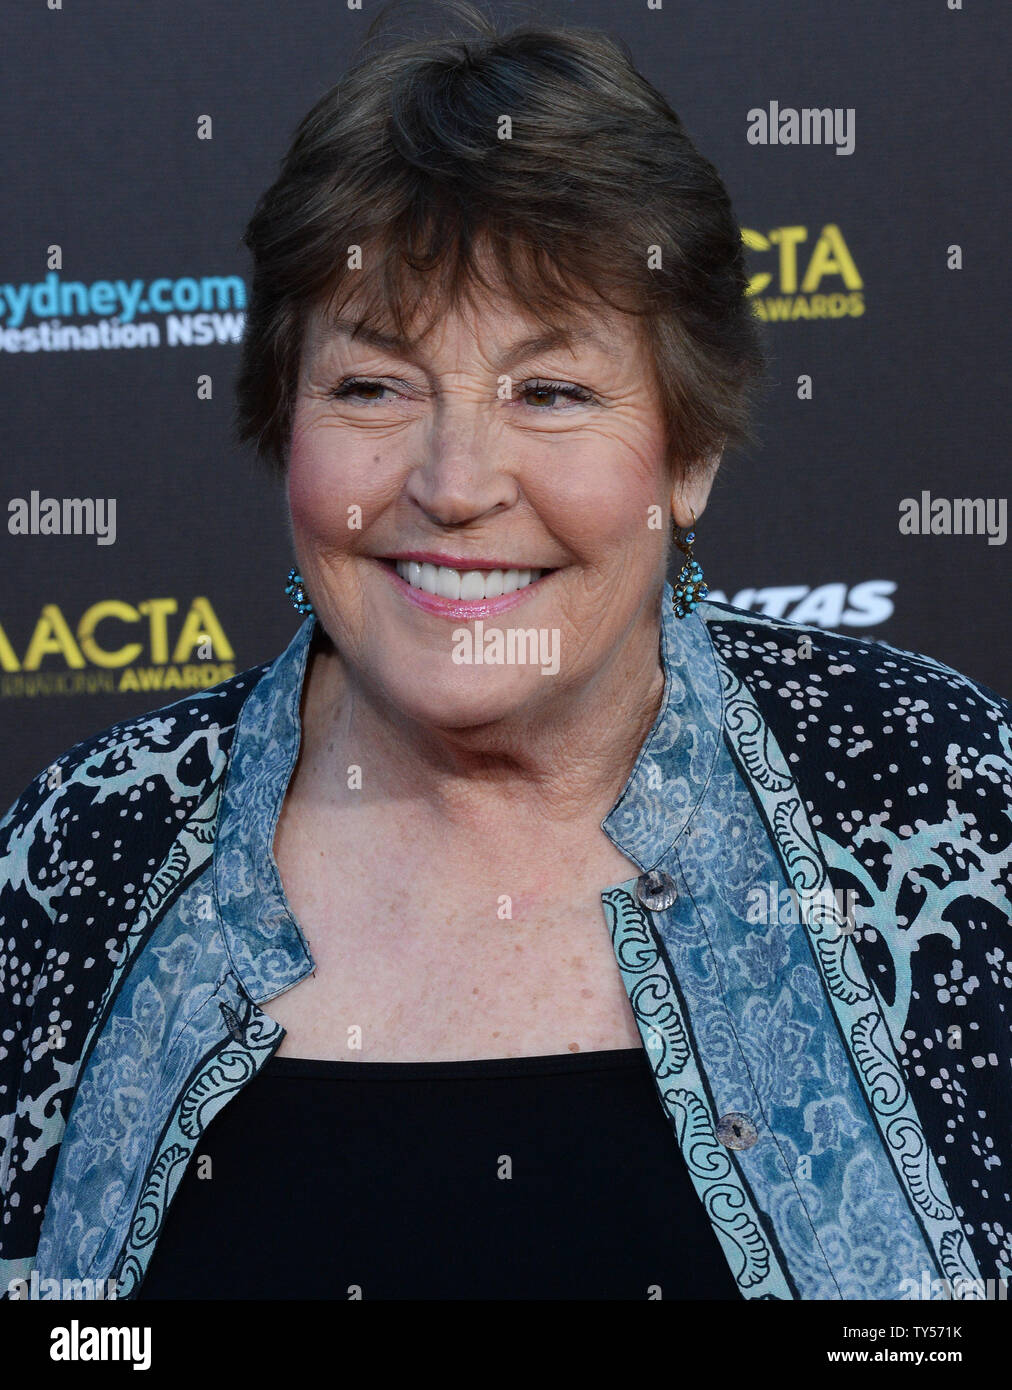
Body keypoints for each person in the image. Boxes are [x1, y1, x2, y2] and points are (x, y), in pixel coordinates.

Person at [1, 0, 1009, 1303]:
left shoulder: (950, 801)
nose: (455, 481)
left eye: (551, 391)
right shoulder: (82, 849)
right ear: (283, 428)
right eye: (375, 386)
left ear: (688, 450)